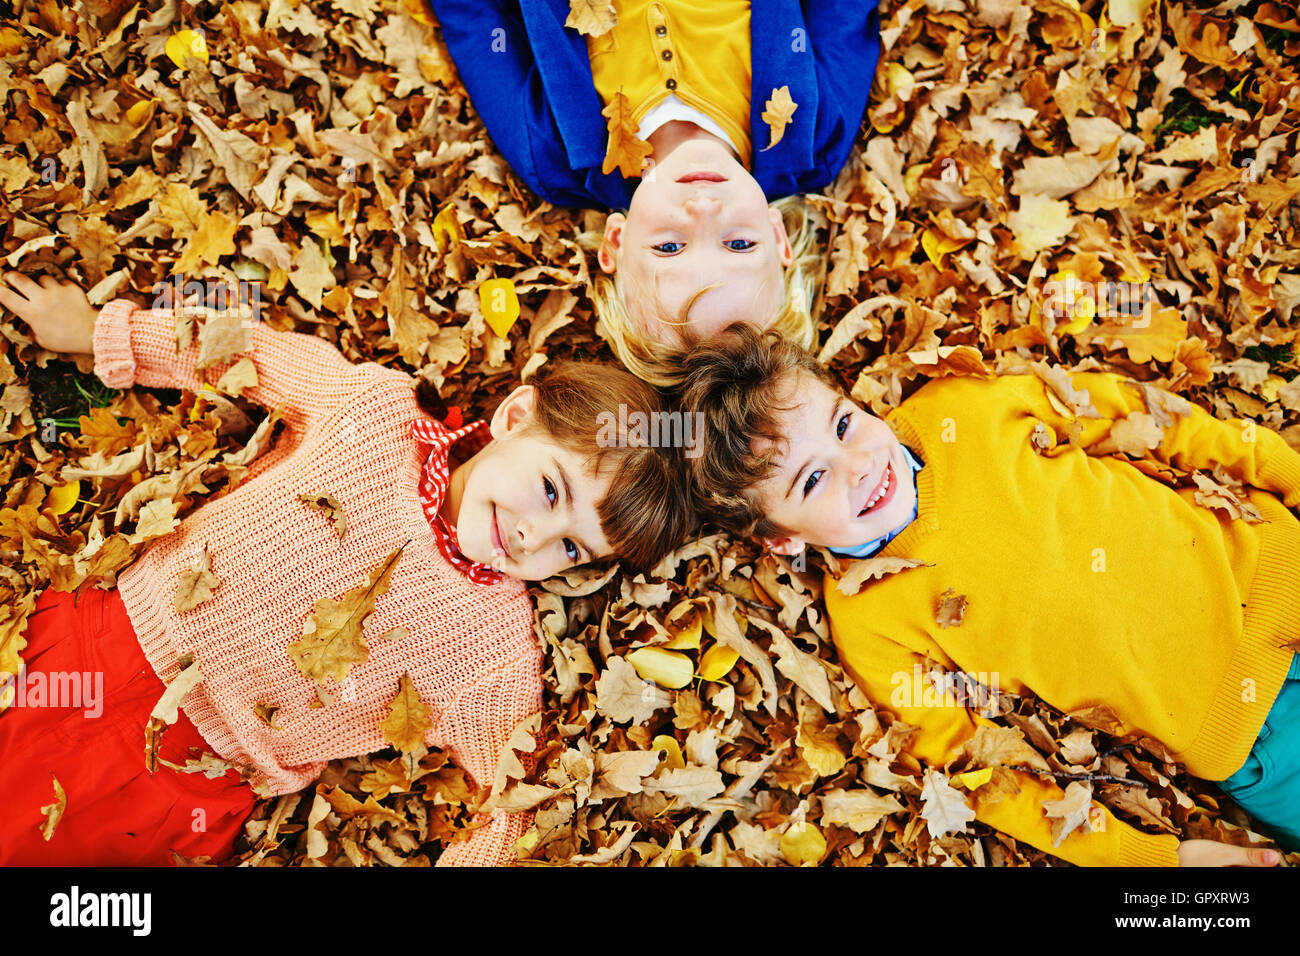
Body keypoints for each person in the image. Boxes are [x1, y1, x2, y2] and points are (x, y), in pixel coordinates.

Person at [0, 272, 694, 866]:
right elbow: (243, 354)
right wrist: (101, 332)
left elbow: (507, 807)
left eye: (570, 549)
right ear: (517, 416)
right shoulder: (371, 412)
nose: (532, 535)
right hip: (96, 643)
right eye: (550, 490)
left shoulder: (497, 654)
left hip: (178, 779)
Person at [676, 323, 1299, 866]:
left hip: (1277, 566)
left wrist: (1286, 474)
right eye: (813, 478)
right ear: (783, 541)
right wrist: (1153, 856)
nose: (857, 464)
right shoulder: (869, 624)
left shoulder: (964, 406)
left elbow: (1145, 417)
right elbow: (976, 767)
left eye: (842, 423)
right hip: (1251, 732)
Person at [429, 0, 882, 384]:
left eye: (669, 247)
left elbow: (477, 24)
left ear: (616, 243)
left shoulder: (554, 157)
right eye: (739, 244)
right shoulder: (816, 135)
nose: (704, 209)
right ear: (777, 234)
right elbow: (842, 11)